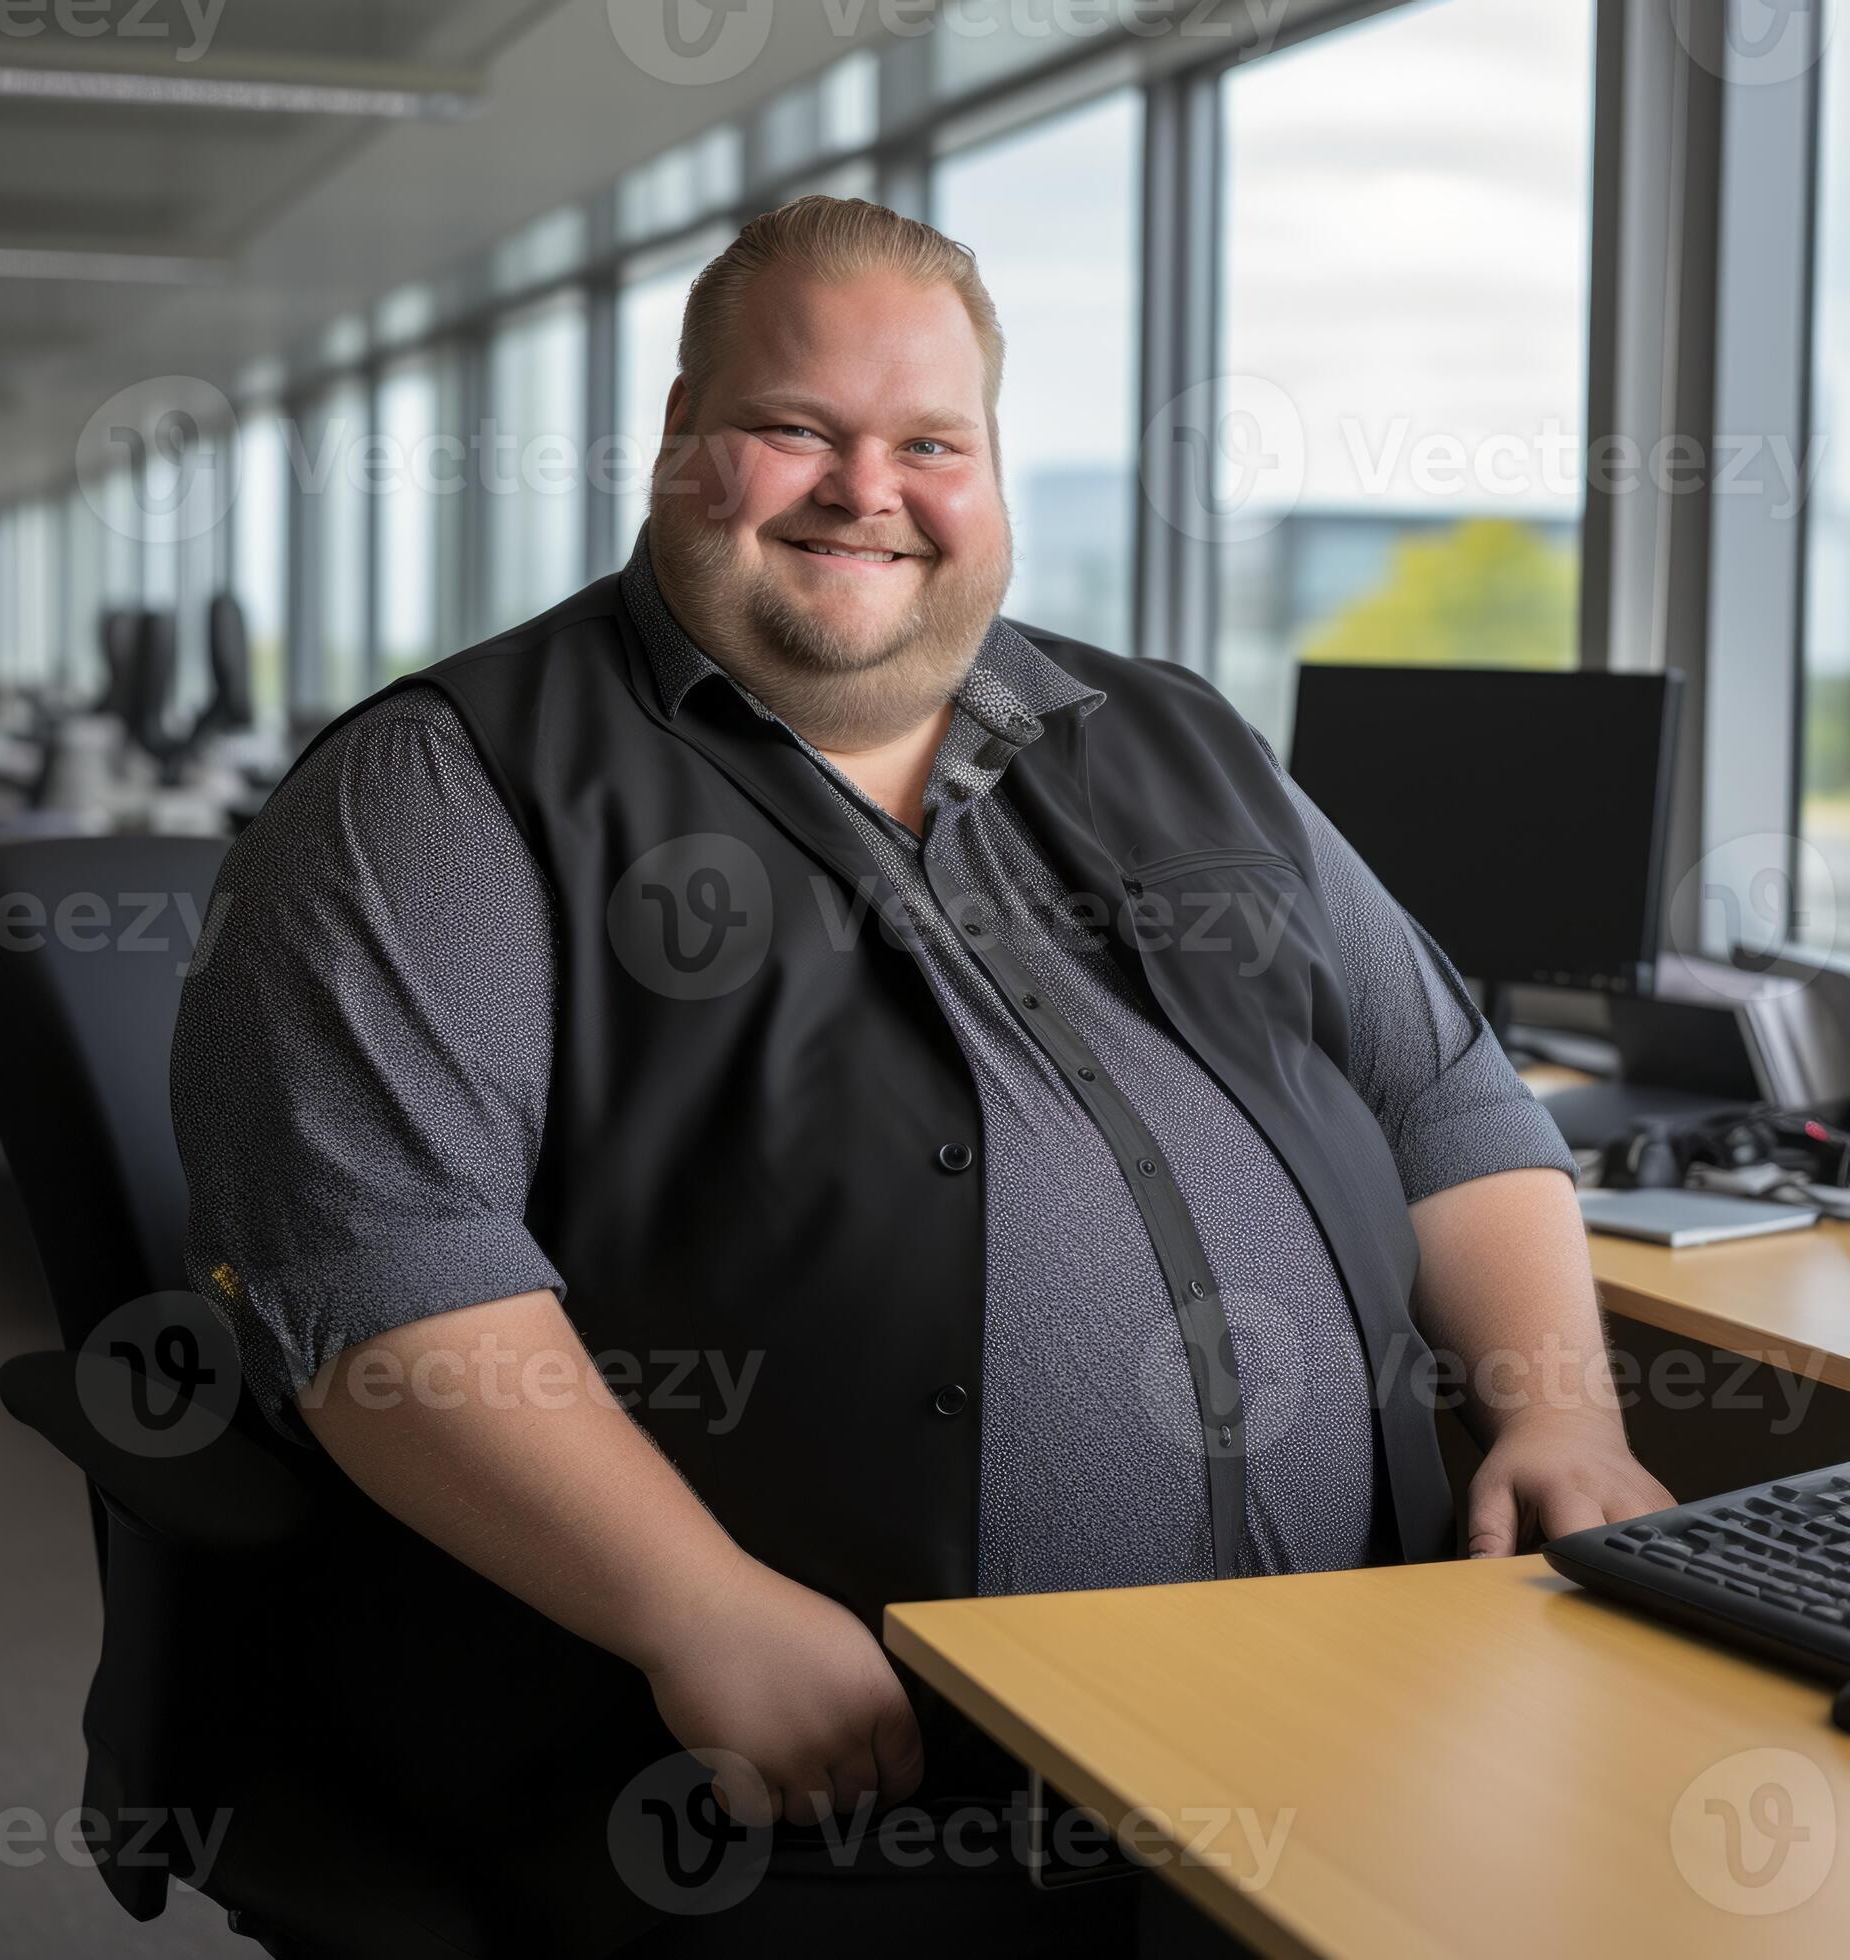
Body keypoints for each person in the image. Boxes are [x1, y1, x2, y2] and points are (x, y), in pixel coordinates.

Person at [172, 196, 1673, 1958]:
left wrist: (1562, 1407)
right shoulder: (447, 790)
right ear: (678, 441)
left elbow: (1446, 1090)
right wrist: (701, 1611)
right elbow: (388, 1284)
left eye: (930, 442)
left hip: (1338, 1683)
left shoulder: (1171, 731)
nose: (863, 488)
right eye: (793, 427)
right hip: (821, 1773)